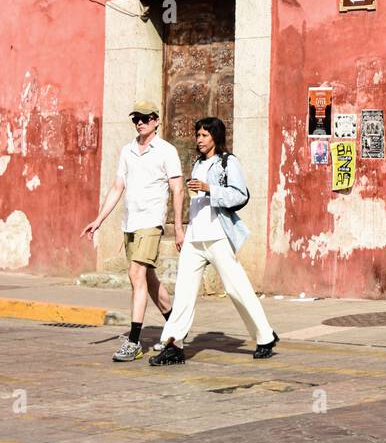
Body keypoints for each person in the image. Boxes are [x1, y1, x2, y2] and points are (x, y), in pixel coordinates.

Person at [149, 116, 278, 366]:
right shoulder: (197, 163)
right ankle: (174, 344)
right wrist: (182, 230)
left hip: (218, 235)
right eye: (197, 135)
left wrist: (211, 189)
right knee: (184, 293)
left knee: (235, 287)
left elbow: (241, 195)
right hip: (195, 237)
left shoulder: (228, 162)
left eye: (204, 135)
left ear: (215, 137)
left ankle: (265, 336)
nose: (199, 140)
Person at [81, 102, 184, 363]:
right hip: (130, 222)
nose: (140, 122)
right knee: (148, 279)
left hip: (151, 221)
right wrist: (99, 219)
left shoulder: (166, 151)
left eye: (146, 118)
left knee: (135, 273)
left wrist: (180, 228)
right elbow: (118, 186)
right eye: (136, 118)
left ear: (156, 120)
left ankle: (135, 341)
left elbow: (178, 190)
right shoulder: (127, 150)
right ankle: (176, 332)